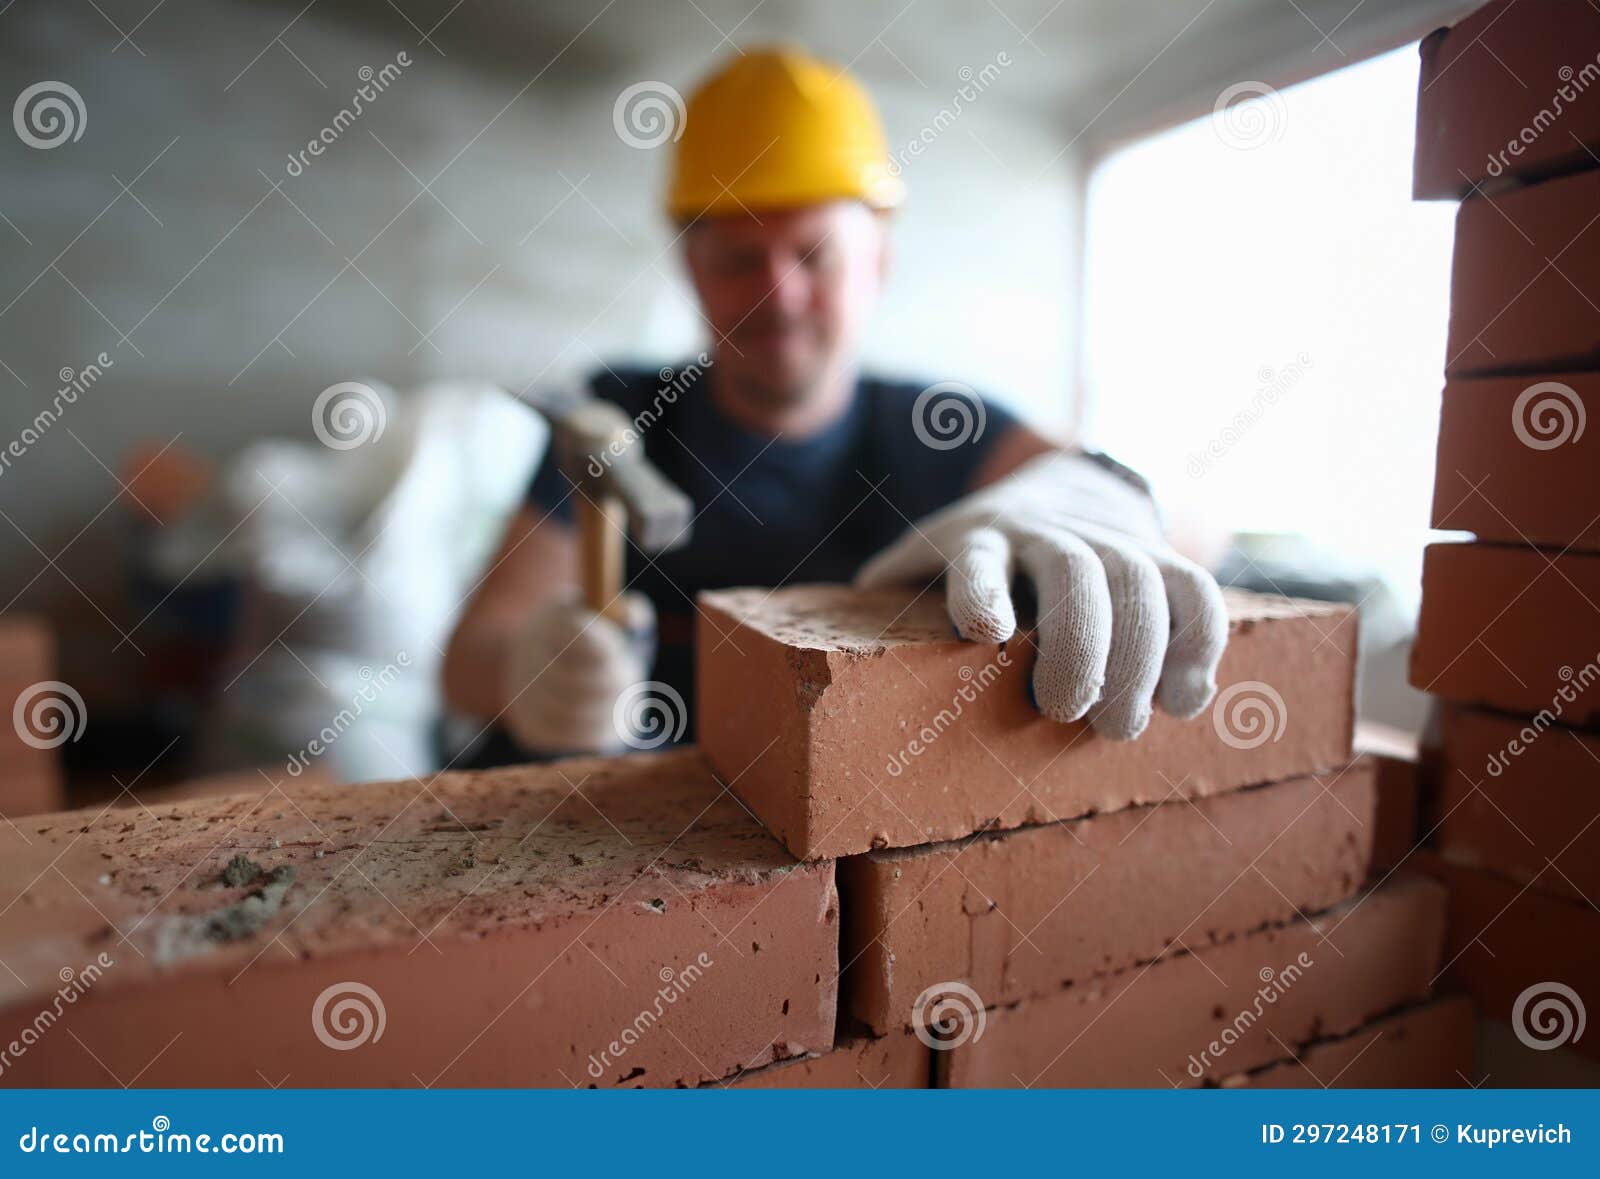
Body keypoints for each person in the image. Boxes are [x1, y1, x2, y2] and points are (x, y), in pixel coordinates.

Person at [443, 47, 1226, 764]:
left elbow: (1198, 524)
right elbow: (465, 656)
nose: (778, 295)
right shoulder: (619, 416)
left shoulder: (942, 430)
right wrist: (527, 672)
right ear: (691, 268)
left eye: (814, 255)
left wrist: (1092, 500)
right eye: (739, 259)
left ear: (877, 260)